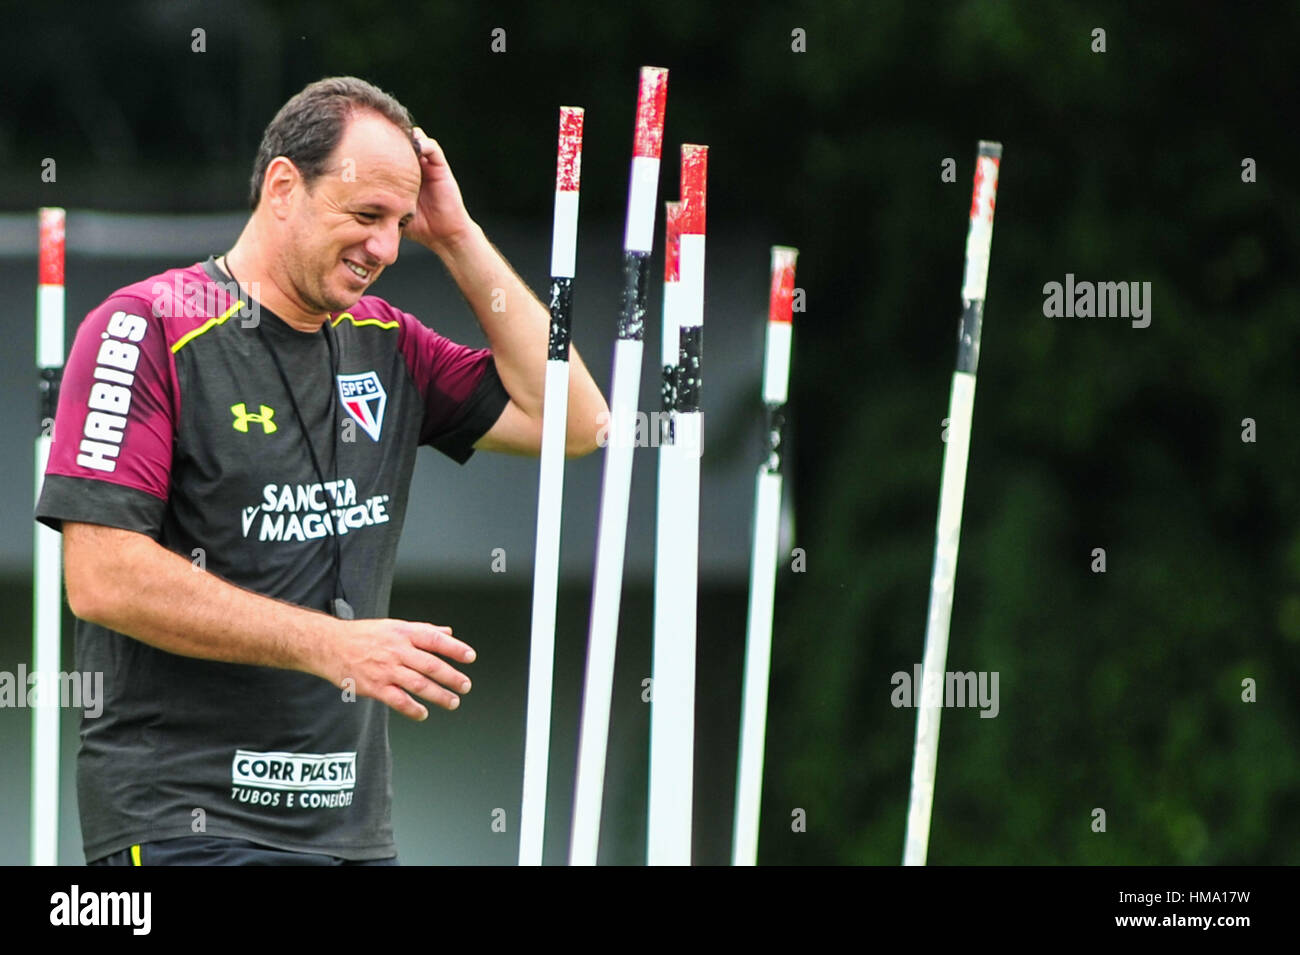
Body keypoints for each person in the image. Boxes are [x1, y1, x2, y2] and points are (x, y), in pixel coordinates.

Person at [34, 76, 607, 865]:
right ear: (282, 187)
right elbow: (102, 575)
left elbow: (577, 421)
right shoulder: (147, 327)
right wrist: (332, 646)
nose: (385, 247)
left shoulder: (388, 341)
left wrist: (459, 238)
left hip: (351, 834)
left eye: (401, 223)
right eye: (365, 215)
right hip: (185, 825)